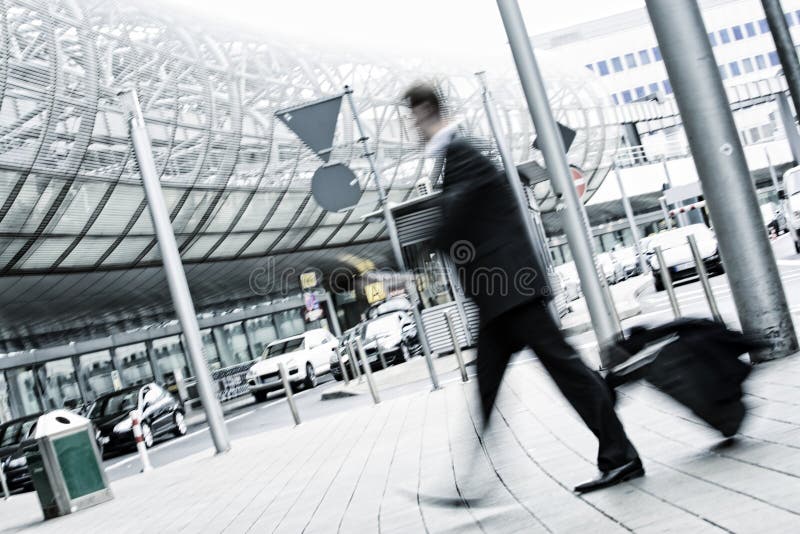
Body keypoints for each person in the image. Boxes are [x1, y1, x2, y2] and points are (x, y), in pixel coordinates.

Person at [403, 83, 643, 493]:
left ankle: (619, 448)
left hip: (512, 291)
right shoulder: (454, 157)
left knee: (566, 371)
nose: (413, 128)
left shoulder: (461, 153)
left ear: (426, 111)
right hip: (498, 297)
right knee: (491, 386)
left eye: (413, 118)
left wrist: (425, 243)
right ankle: (472, 481)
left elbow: (457, 216)